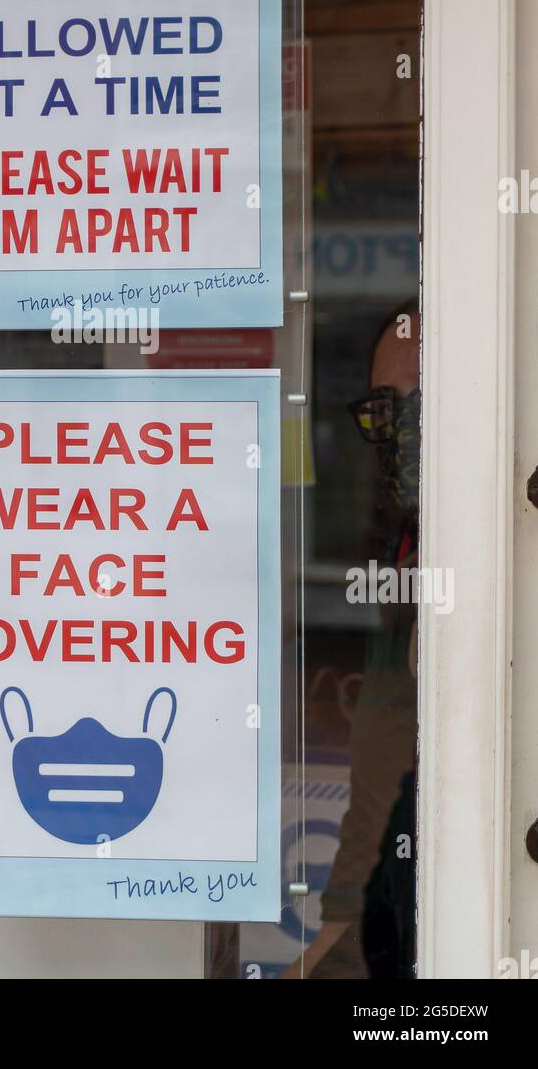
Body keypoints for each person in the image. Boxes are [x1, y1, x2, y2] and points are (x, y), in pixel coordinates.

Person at [283, 301, 419, 979]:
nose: (403, 431)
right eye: (387, 409)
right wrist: (330, 937)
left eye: (423, 401)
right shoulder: (405, 554)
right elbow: (381, 761)